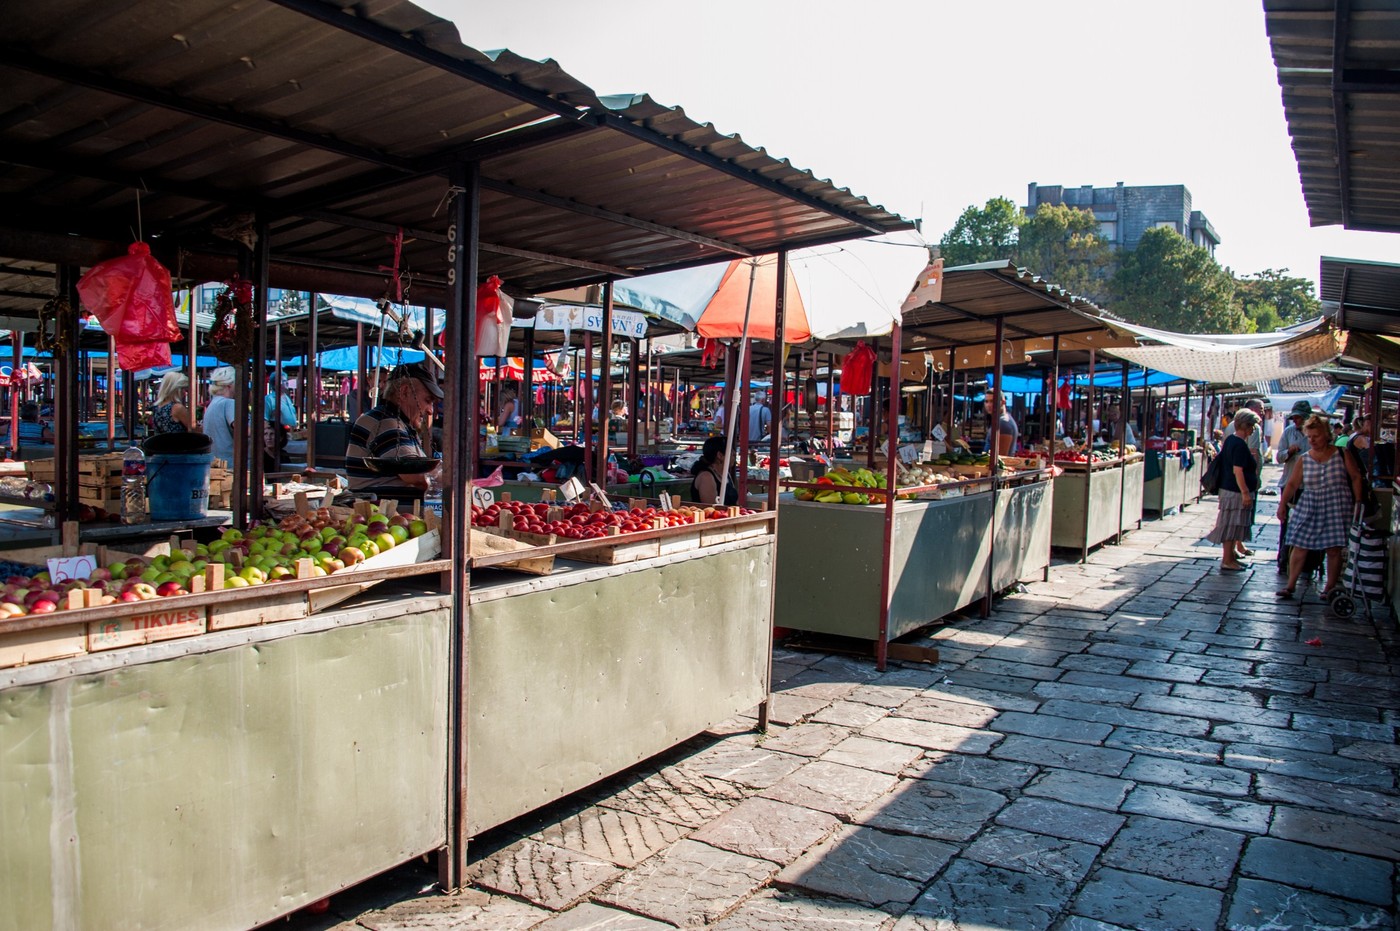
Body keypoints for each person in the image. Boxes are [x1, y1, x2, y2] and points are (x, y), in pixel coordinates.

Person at [1276, 414, 1365, 599]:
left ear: (1326, 434)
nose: (1312, 440)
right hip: (1310, 504)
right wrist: (1282, 505)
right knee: (1299, 544)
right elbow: (1292, 484)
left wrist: (1358, 501)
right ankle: (1290, 585)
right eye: (1309, 436)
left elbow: (1356, 477)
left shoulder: (1342, 453)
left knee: (1333, 548)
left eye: (1315, 436)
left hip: (1337, 504)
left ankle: (1329, 588)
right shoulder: (1304, 459)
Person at [345, 363, 444, 496]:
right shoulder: (386, 423)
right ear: (404, 392)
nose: (430, 410)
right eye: (427, 400)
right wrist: (458, 483)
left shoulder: (399, 423)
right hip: (382, 513)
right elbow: (417, 477)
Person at [1206, 409, 1261, 573]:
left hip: (1229, 489)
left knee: (1232, 524)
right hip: (1234, 492)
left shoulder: (1230, 440)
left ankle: (1230, 557)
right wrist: (1245, 492)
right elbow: (1238, 471)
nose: (1253, 430)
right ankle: (1227, 559)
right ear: (1247, 426)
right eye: (1252, 427)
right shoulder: (1239, 445)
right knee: (1231, 524)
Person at [1273, 400, 1312, 569]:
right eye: (1295, 418)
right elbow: (1279, 457)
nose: (1297, 421)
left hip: (1309, 486)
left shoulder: (1314, 435)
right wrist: (1289, 451)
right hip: (1289, 483)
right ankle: (1283, 558)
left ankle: (1306, 563)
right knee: (1286, 522)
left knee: (1307, 525)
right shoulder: (1289, 433)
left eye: (1300, 418)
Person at [202, 366, 238, 466]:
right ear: (230, 385)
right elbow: (243, 430)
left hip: (215, 462)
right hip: (230, 464)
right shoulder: (229, 403)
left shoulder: (213, 404)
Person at [690, 435, 739, 506]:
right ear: (720, 455)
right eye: (731, 451)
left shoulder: (725, 474)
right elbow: (711, 509)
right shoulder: (706, 477)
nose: (734, 454)